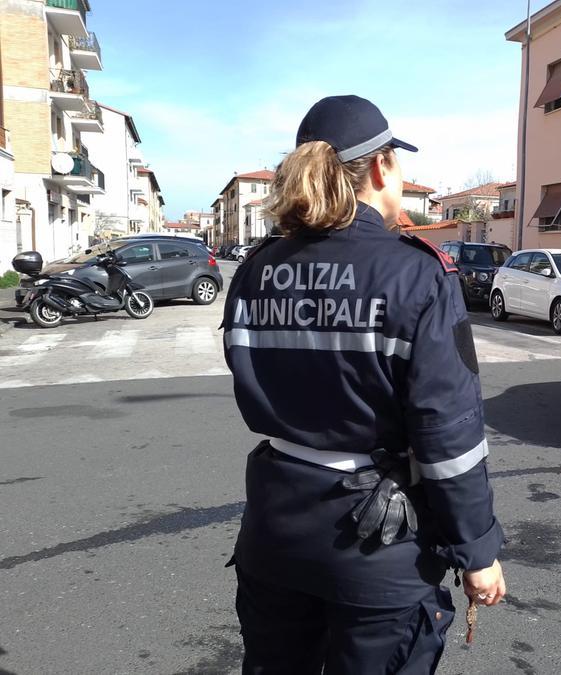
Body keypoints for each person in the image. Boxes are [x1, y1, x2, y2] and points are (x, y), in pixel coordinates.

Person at [222, 95, 506, 674]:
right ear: (380, 168)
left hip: (274, 531)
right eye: (397, 164)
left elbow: (247, 370)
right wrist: (476, 551)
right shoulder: (416, 271)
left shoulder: (256, 270)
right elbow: (448, 434)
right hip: (378, 548)